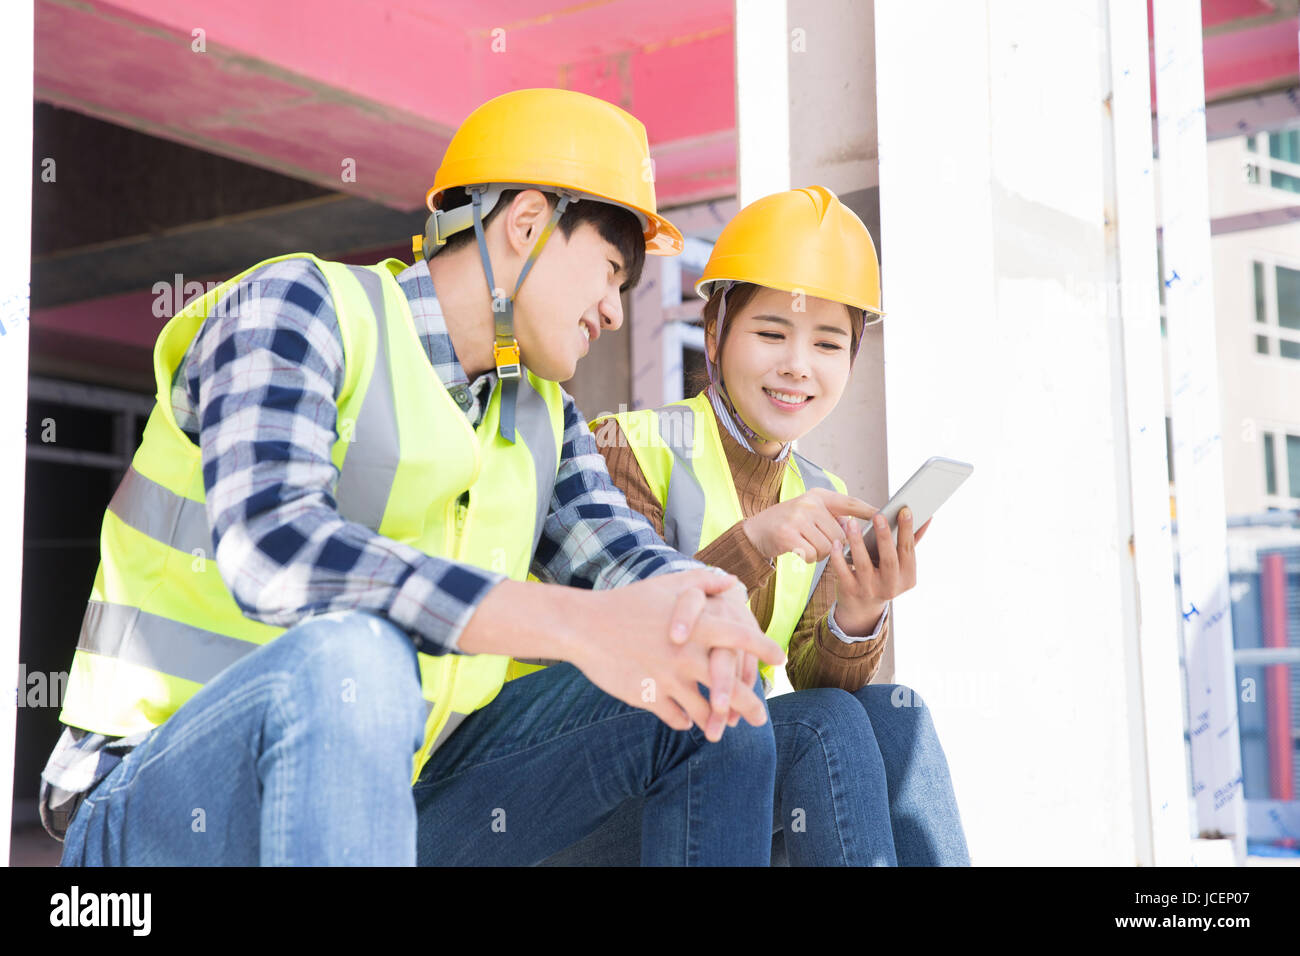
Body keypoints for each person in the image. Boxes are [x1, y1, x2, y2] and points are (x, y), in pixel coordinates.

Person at [41, 88, 788, 867]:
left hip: (390, 801)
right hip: (163, 801)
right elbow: (275, 549)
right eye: (609, 271)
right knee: (356, 659)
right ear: (528, 223)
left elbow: (623, 559)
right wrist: (570, 625)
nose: (612, 311)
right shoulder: (300, 307)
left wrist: (701, 609)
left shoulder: (541, 414)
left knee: (712, 695)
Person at [541, 186, 969, 866]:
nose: (798, 365)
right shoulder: (628, 443)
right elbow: (621, 637)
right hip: (599, 793)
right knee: (819, 727)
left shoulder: (819, 491)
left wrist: (856, 615)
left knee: (895, 713)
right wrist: (757, 541)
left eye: (829, 343)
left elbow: (822, 688)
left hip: (723, 776)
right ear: (714, 334)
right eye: (771, 333)